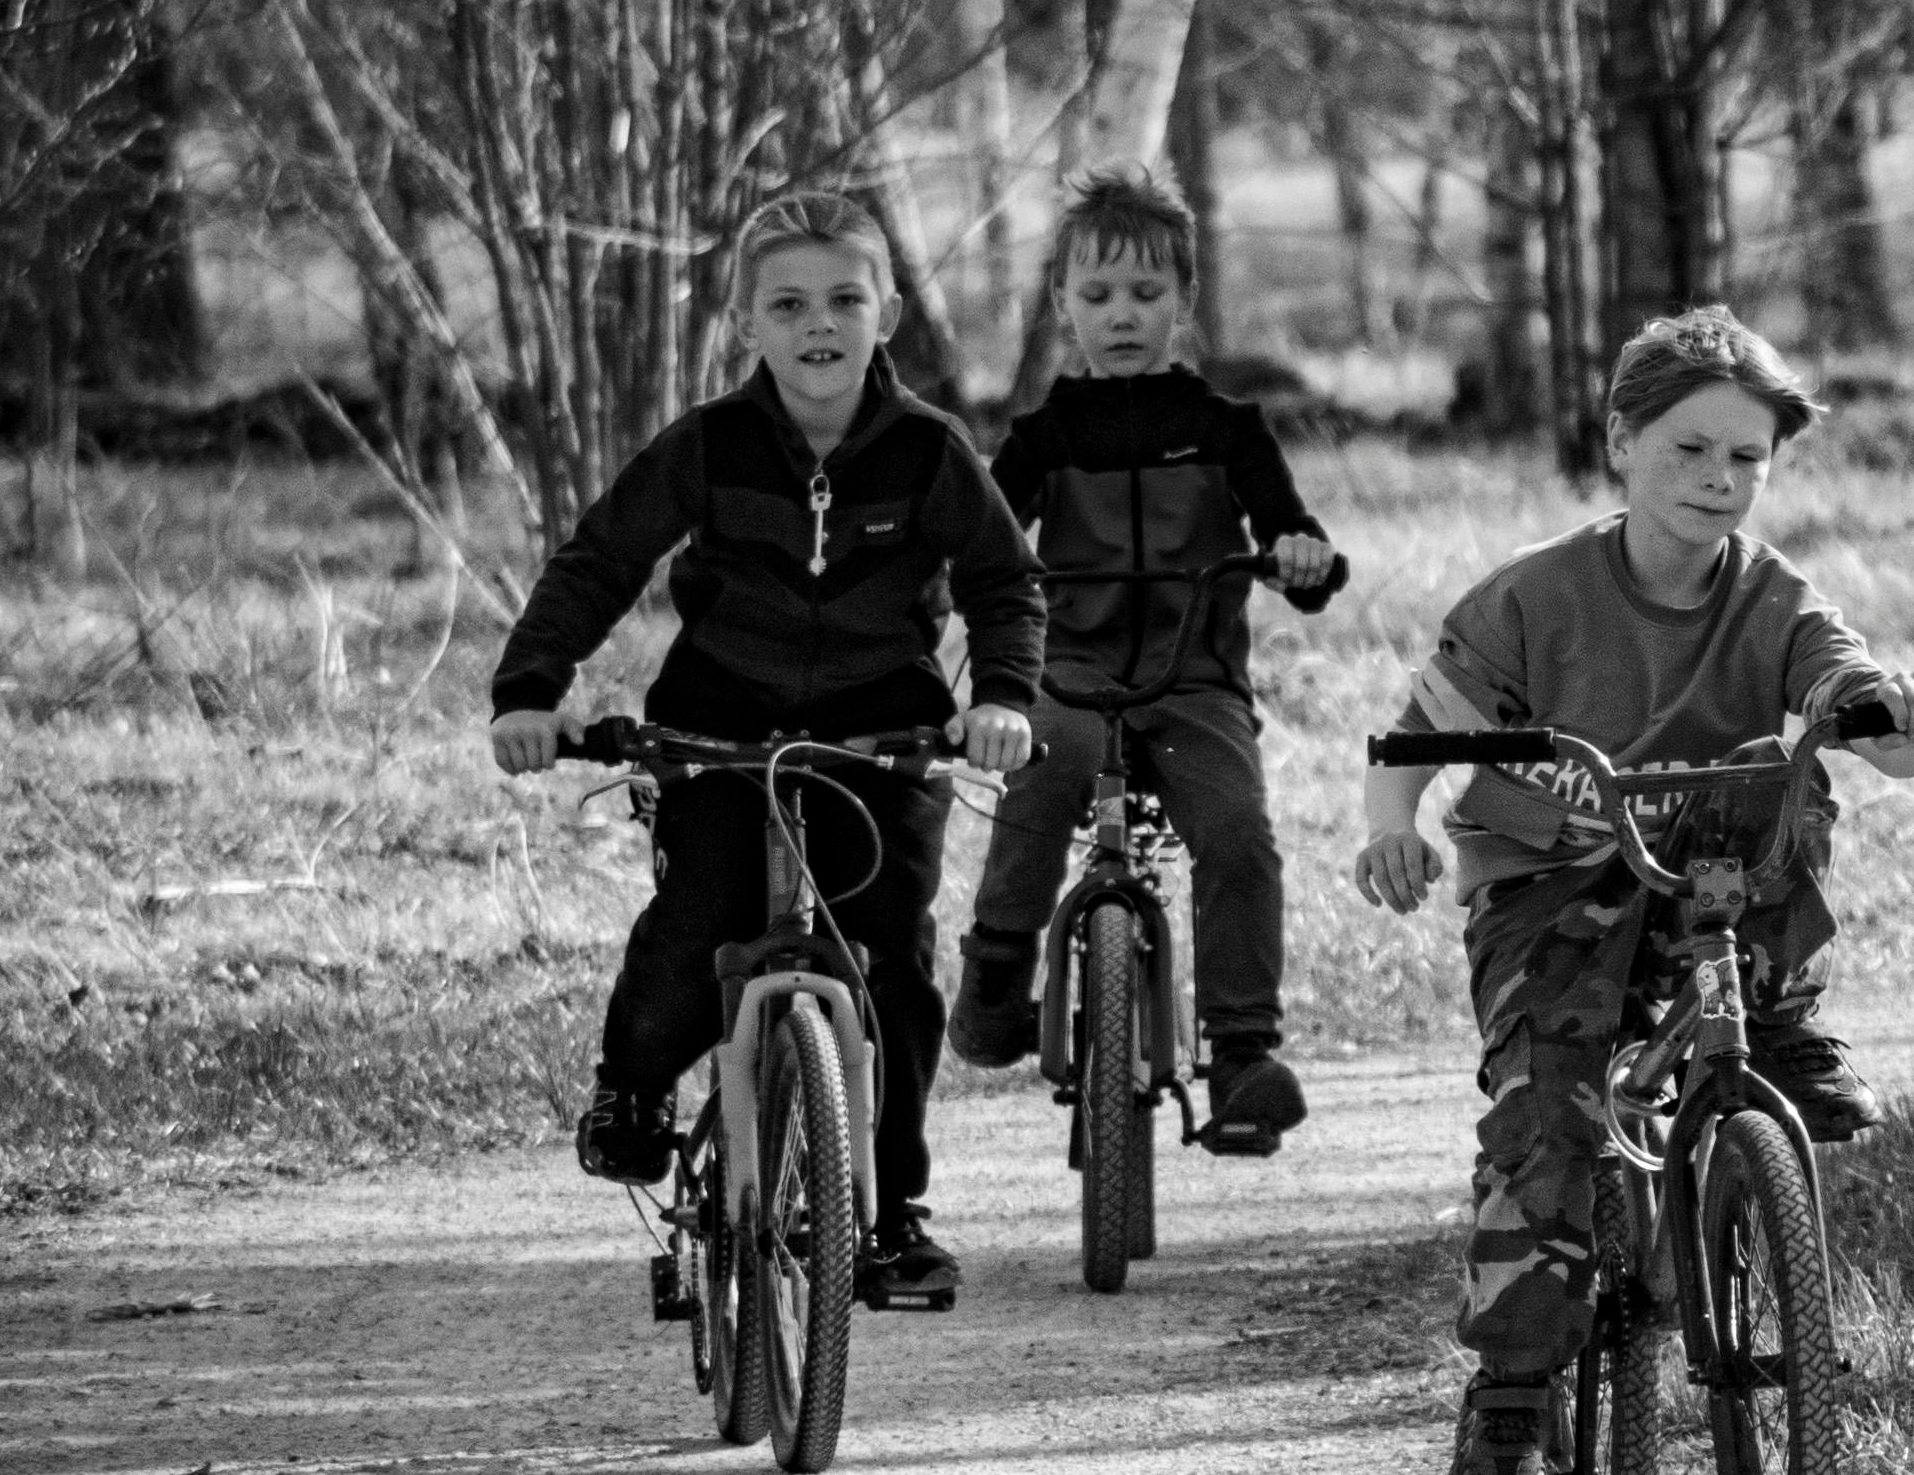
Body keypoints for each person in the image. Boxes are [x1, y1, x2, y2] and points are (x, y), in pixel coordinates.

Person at [1356, 306, 1914, 1475]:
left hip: (1698, 878)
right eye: (1689, 450)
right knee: (1551, 1109)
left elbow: (1858, 709)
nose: (1719, 481)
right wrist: (1391, 823)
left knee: (1788, 784)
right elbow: (1419, 726)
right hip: (1550, 877)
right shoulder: (1539, 595)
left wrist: (1904, 717)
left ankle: (1772, 1023)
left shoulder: (1775, 597)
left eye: (1746, 458)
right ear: (1621, 442)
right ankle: (1515, 1393)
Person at [486, 189, 1041, 1308]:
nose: (818, 323)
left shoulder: (931, 451)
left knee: (889, 959)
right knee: (697, 925)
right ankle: (634, 1091)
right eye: (787, 304)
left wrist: (1005, 699)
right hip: (719, 726)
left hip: (883, 734)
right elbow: (601, 560)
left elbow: (1001, 582)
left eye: (844, 298)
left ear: (886, 311)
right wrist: (530, 691)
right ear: (745, 323)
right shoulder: (709, 445)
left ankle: (887, 1215)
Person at [944, 169, 1340, 1153]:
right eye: (1098, 295)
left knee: (1238, 830)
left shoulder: (1225, 430)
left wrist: (1302, 556)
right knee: (1037, 776)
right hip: (1069, 673)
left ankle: (1242, 1049)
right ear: (1064, 305)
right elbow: (985, 545)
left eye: (1147, 294)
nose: (1122, 315)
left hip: (1191, 681)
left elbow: (1295, 536)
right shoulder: (1042, 438)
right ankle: (997, 968)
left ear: (1185, 301)